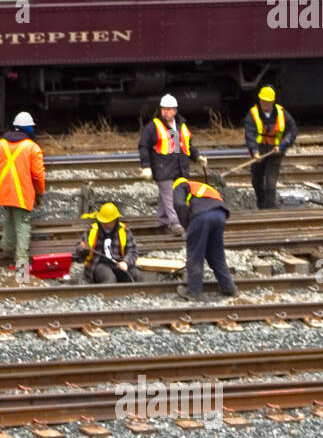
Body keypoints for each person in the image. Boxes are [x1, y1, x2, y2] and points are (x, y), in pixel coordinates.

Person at [0, 111, 46, 269]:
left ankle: (7, 249)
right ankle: (21, 260)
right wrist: (39, 193)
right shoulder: (32, 148)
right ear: (27, 129)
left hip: (4, 193)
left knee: (10, 218)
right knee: (22, 224)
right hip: (23, 194)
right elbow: (38, 176)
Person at [138, 94, 205, 235]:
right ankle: (175, 224)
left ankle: (161, 224)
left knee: (165, 197)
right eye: (163, 109)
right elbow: (143, 146)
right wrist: (146, 166)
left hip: (179, 169)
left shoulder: (180, 126)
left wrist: (197, 157)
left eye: (168, 109)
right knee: (171, 197)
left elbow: (185, 146)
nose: (165, 112)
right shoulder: (153, 127)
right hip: (163, 170)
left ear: (175, 111)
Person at [172, 176, 237, 300]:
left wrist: (186, 224)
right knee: (216, 254)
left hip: (201, 217)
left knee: (195, 255)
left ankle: (193, 292)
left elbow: (179, 204)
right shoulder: (201, 187)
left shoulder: (180, 185)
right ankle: (229, 288)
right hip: (220, 215)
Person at [243, 85, 298, 209]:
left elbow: (292, 130)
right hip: (260, 150)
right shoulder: (253, 114)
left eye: (267, 101)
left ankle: (270, 209)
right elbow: (249, 134)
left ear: (272, 102)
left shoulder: (282, 113)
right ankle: (261, 205)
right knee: (256, 181)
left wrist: (283, 145)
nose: (264, 104)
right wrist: (254, 151)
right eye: (262, 101)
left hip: (276, 151)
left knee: (270, 183)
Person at [73, 203, 142, 284]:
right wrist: (82, 249)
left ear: (115, 220)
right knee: (109, 279)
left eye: (107, 222)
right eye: (102, 222)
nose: (104, 224)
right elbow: (78, 254)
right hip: (100, 265)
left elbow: (133, 251)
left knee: (137, 276)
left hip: (120, 263)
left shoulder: (124, 231)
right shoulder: (92, 231)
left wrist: (126, 262)